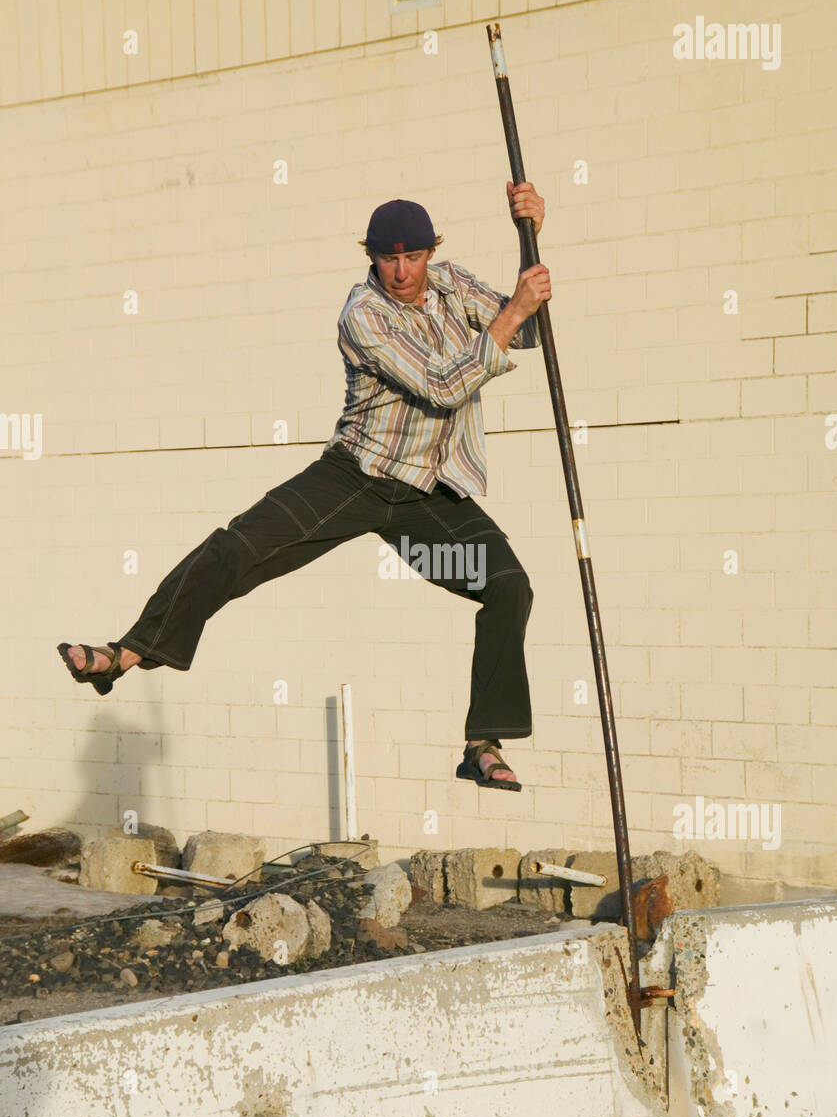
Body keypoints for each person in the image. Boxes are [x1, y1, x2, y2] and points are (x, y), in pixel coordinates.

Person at [58, 184, 551, 791]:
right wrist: (514, 310)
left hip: (429, 496)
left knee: (508, 587)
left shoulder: (453, 285)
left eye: (414, 258)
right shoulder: (362, 314)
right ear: (370, 257)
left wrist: (531, 236)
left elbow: (527, 331)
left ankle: (482, 743)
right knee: (238, 548)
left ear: (430, 253)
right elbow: (445, 384)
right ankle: (128, 651)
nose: (402, 272)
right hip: (354, 478)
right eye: (388, 259)